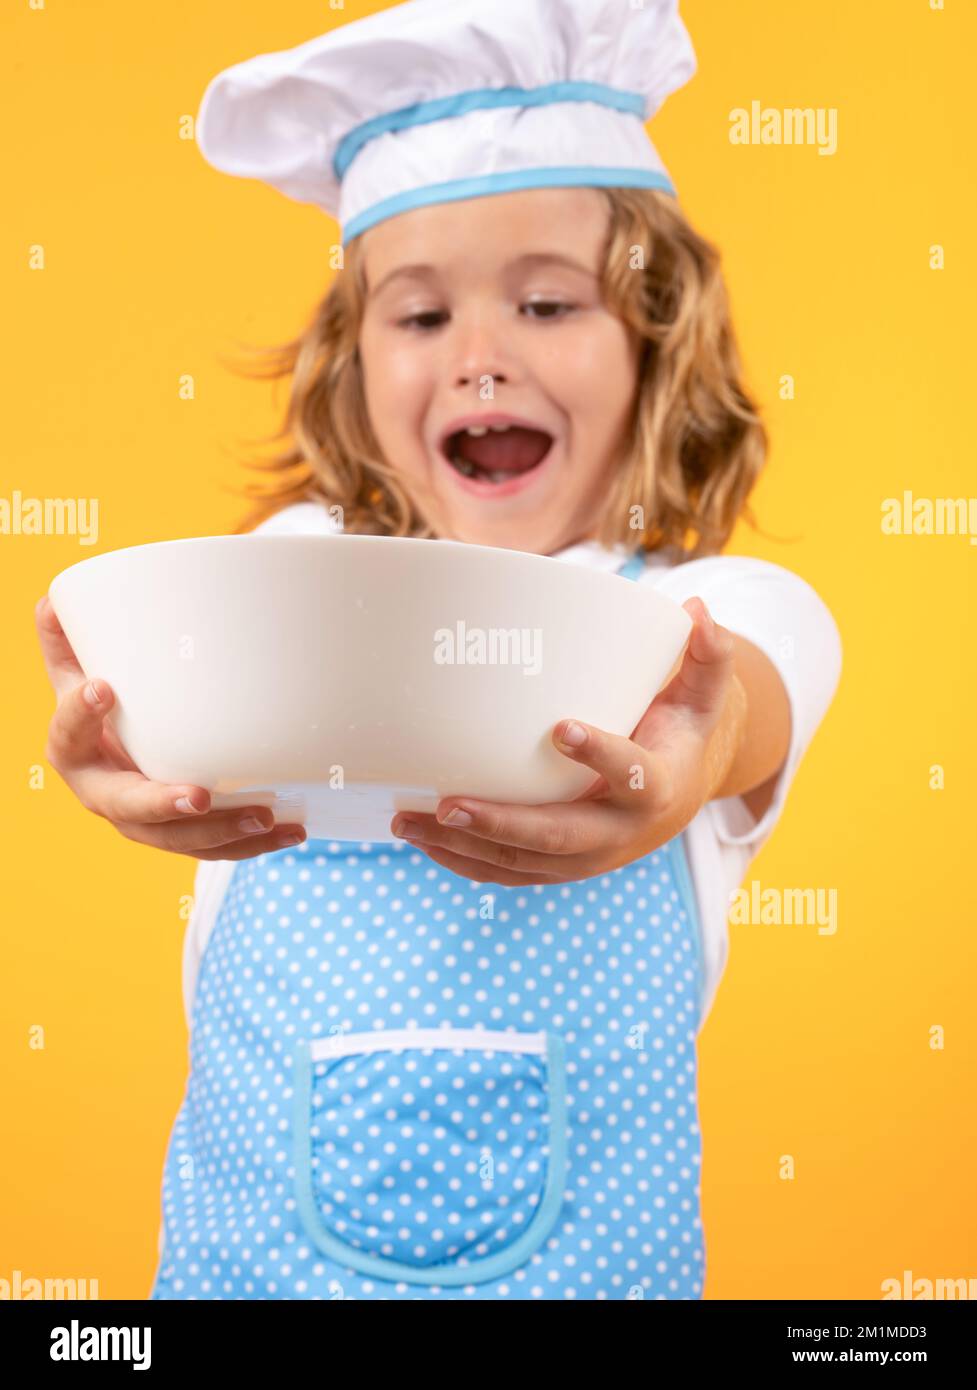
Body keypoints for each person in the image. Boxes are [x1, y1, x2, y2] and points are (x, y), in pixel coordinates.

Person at [36, 0, 841, 1299]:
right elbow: (156, 678)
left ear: (656, 341)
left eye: (542, 302)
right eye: (418, 319)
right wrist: (122, 741)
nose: (477, 359)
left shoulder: (705, 622)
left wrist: (689, 761)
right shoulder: (280, 586)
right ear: (352, 373)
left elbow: (748, 690)